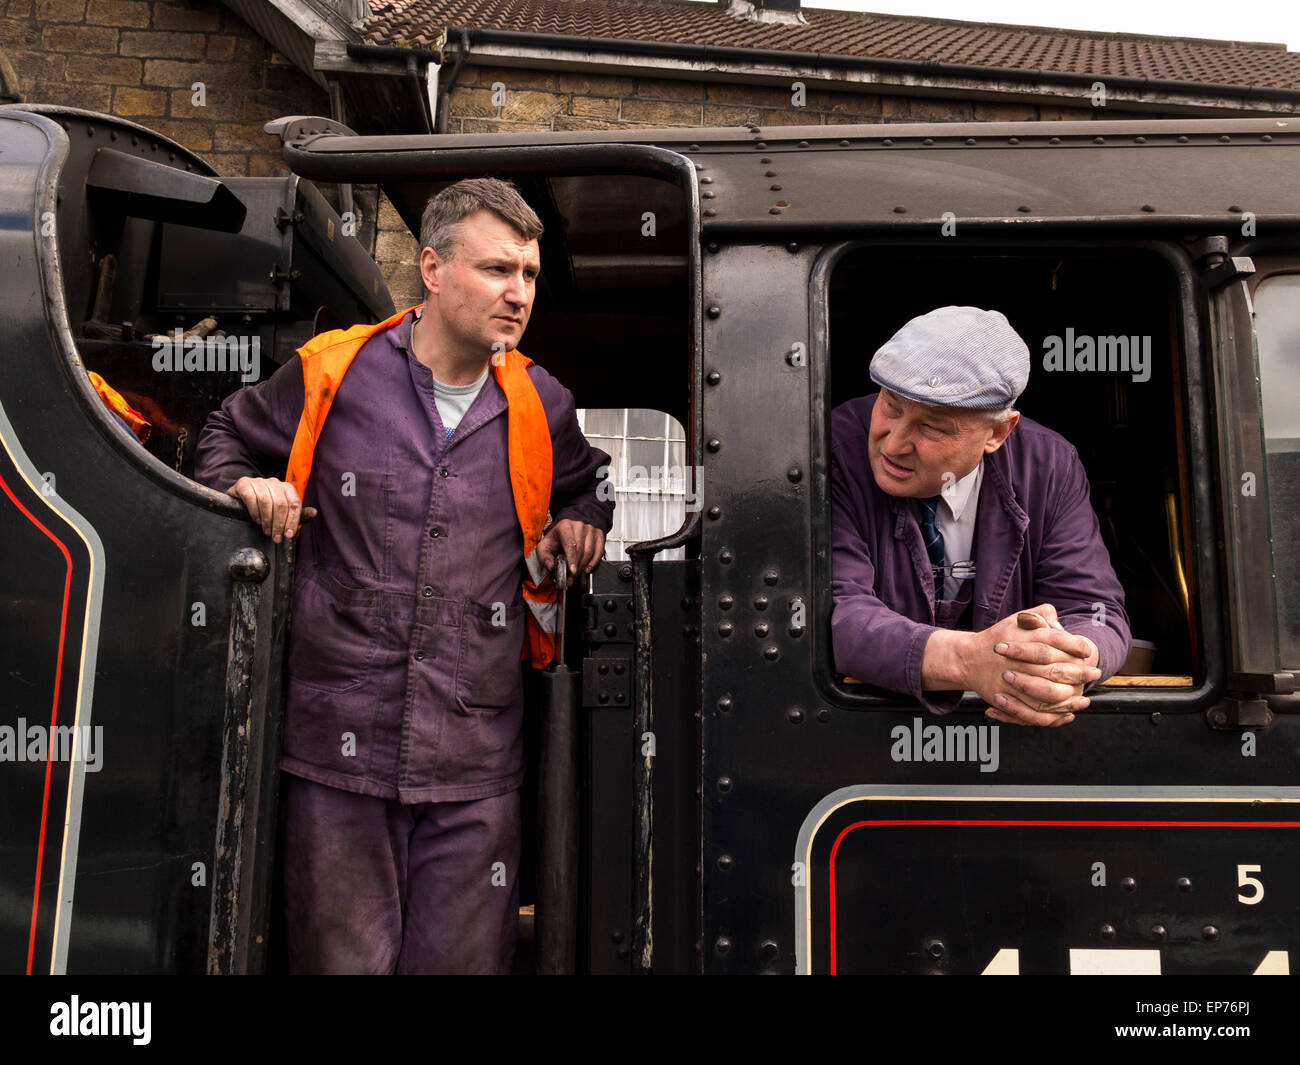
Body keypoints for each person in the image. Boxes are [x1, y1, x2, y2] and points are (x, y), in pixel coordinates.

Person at [195, 178, 613, 972]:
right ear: (431, 267)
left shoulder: (539, 400)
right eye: (496, 269)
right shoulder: (333, 372)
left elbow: (588, 483)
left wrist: (583, 517)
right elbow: (226, 433)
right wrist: (248, 485)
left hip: (476, 763)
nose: (518, 293)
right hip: (335, 754)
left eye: (527, 274)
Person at [830, 305, 1131, 727]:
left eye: (932, 427)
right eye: (891, 406)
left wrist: (1061, 663)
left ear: (998, 433)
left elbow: (1094, 608)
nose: (893, 444)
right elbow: (833, 612)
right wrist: (970, 660)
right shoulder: (831, 452)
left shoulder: (1051, 465)